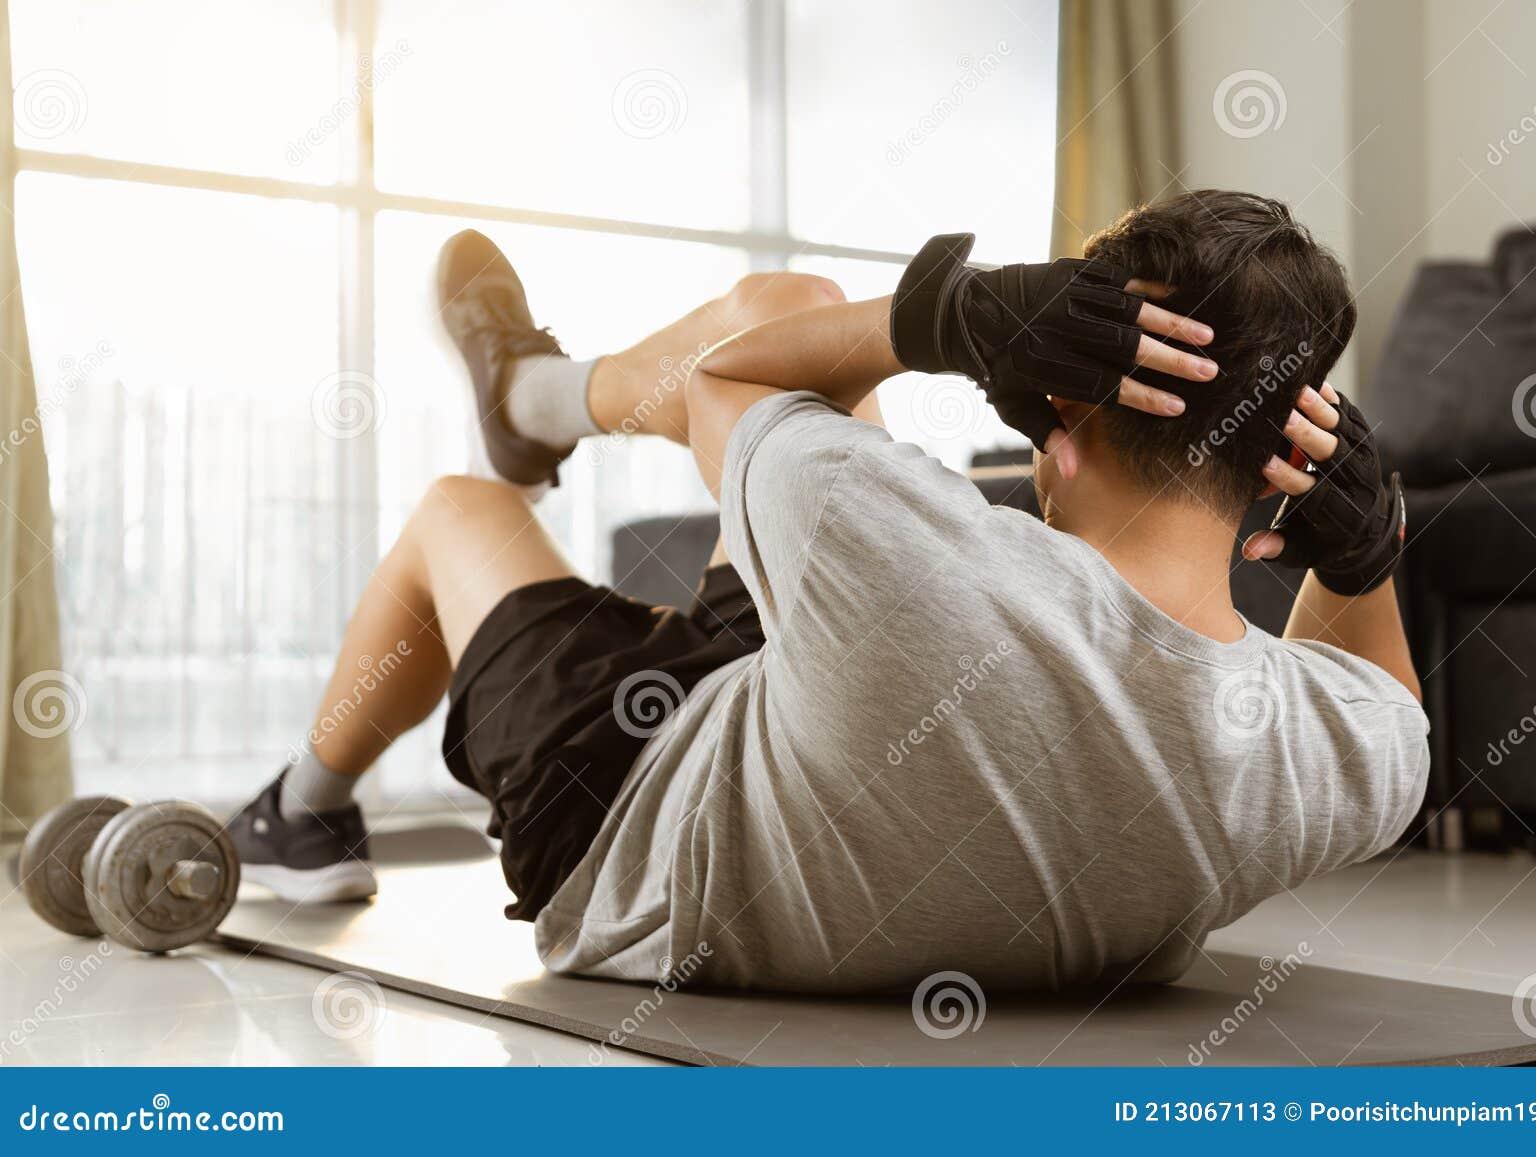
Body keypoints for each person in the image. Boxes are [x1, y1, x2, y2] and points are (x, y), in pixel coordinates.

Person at [228, 190, 1428, 993]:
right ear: (1289, 460)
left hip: (635, 813)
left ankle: (304, 807)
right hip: (806, 732)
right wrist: (1362, 556)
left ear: (1058, 400)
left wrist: (948, 315)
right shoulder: (1335, 753)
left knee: (460, 509)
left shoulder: (891, 543)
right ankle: (527, 396)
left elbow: (717, 383)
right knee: (792, 308)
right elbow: (1377, 689)